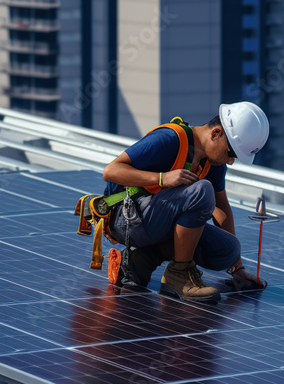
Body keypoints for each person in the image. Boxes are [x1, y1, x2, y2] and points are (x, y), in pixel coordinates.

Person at [102, 101, 269, 302]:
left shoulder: (213, 163)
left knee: (229, 248)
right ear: (216, 133)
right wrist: (162, 178)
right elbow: (110, 171)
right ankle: (179, 275)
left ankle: (142, 259)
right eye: (231, 153)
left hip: (154, 222)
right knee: (202, 190)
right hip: (126, 219)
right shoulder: (169, 139)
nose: (231, 161)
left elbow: (222, 208)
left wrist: (237, 268)